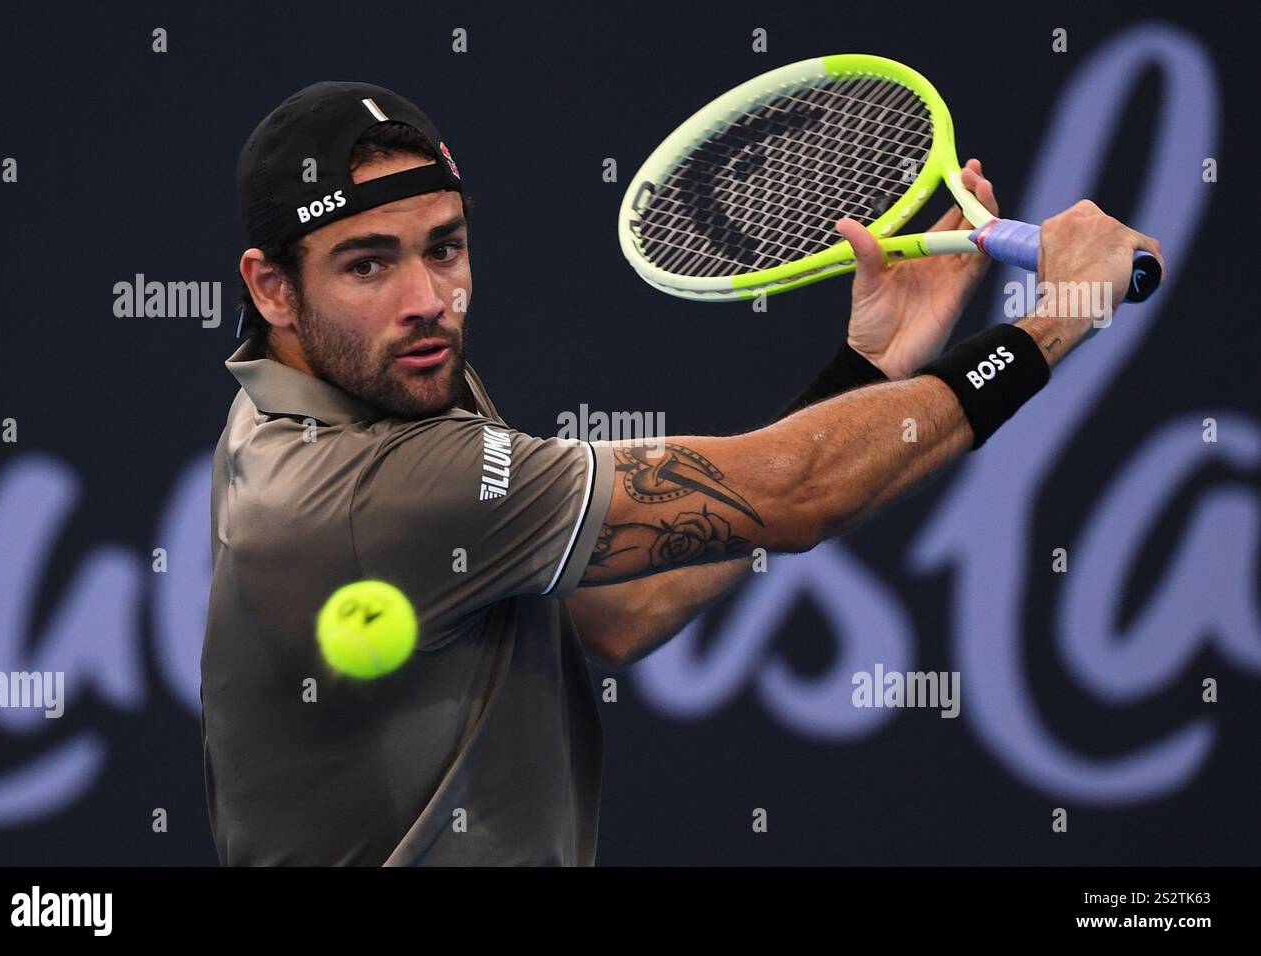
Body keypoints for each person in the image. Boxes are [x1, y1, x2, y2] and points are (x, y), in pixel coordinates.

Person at [200, 80, 1163, 865]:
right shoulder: (378, 488)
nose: (429, 301)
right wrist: (1055, 320)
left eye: (444, 247)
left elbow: (620, 615)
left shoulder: (345, 384)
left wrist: (868, 372)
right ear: (271, 287)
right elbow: (792, 494)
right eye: (367, 265)